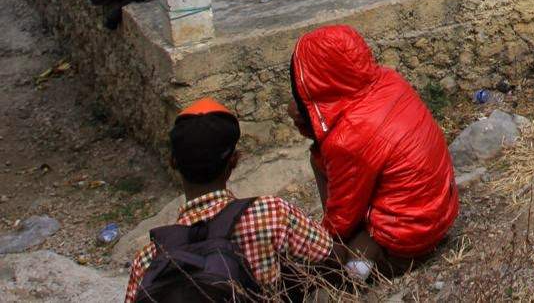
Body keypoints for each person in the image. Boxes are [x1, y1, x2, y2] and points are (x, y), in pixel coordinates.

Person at [127, 98, 339, 302]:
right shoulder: (270, 214)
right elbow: (333, 260)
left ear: (173, 162)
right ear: (235, 160)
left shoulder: (148, 259)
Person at [291, 26, 458, 276]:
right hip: (441, 214)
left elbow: (341, 219)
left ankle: (366, 267)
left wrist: (322, 244)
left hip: (410, 239)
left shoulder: (348, 137)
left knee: (345, 263)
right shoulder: (390, 81)